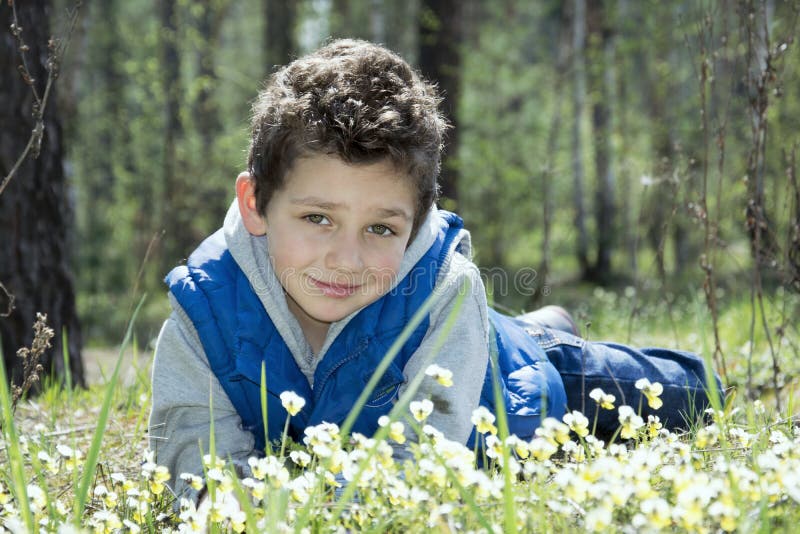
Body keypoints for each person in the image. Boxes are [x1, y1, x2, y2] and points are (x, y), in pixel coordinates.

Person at [148, 39, 721, 503]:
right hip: (471, 340)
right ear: (255, 204)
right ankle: (543, 321)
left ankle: (551, 333)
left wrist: (317, 507)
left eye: (380, 229)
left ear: (418, 224)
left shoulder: (445, 291)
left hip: (514, 379)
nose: (346, 260)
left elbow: (416, 463)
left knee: (694, 396)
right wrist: (235, 503)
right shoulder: (205, 309)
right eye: (318, 218)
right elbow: (192, 452)